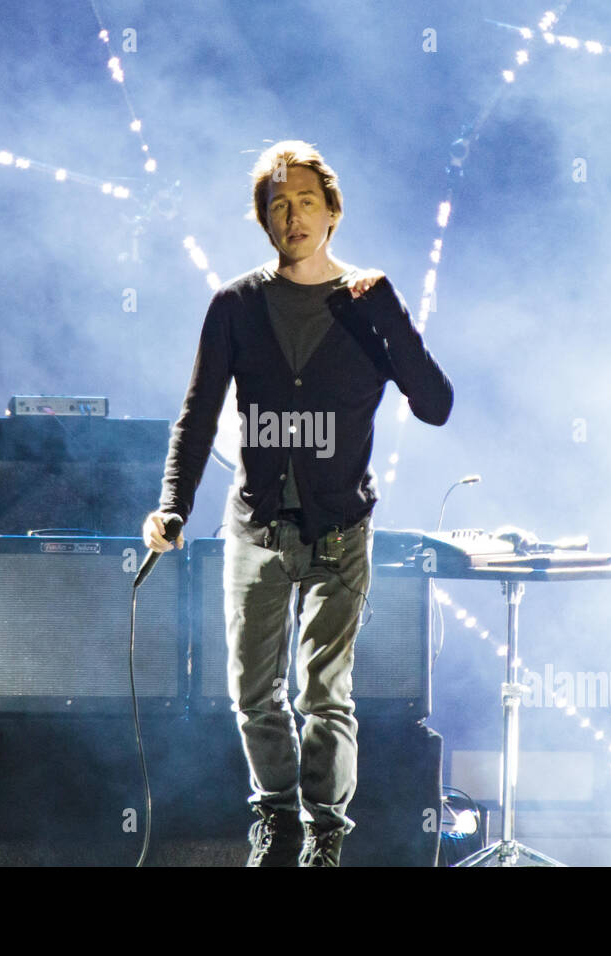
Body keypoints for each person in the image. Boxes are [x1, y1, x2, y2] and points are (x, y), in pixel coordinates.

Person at [143, 141, 453, 866]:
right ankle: (277, 819)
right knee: (252, 694)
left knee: (324, 692)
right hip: (253, 527)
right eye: (278, 205)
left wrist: (389, 314)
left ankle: (324, 834)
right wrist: (172, 507)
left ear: (333, 210)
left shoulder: (365, 303)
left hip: (340, 529)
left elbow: (435, 404)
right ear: (264, 220)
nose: (293, 216)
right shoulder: (235, 305)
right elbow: (195, 416)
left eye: (306, 201)